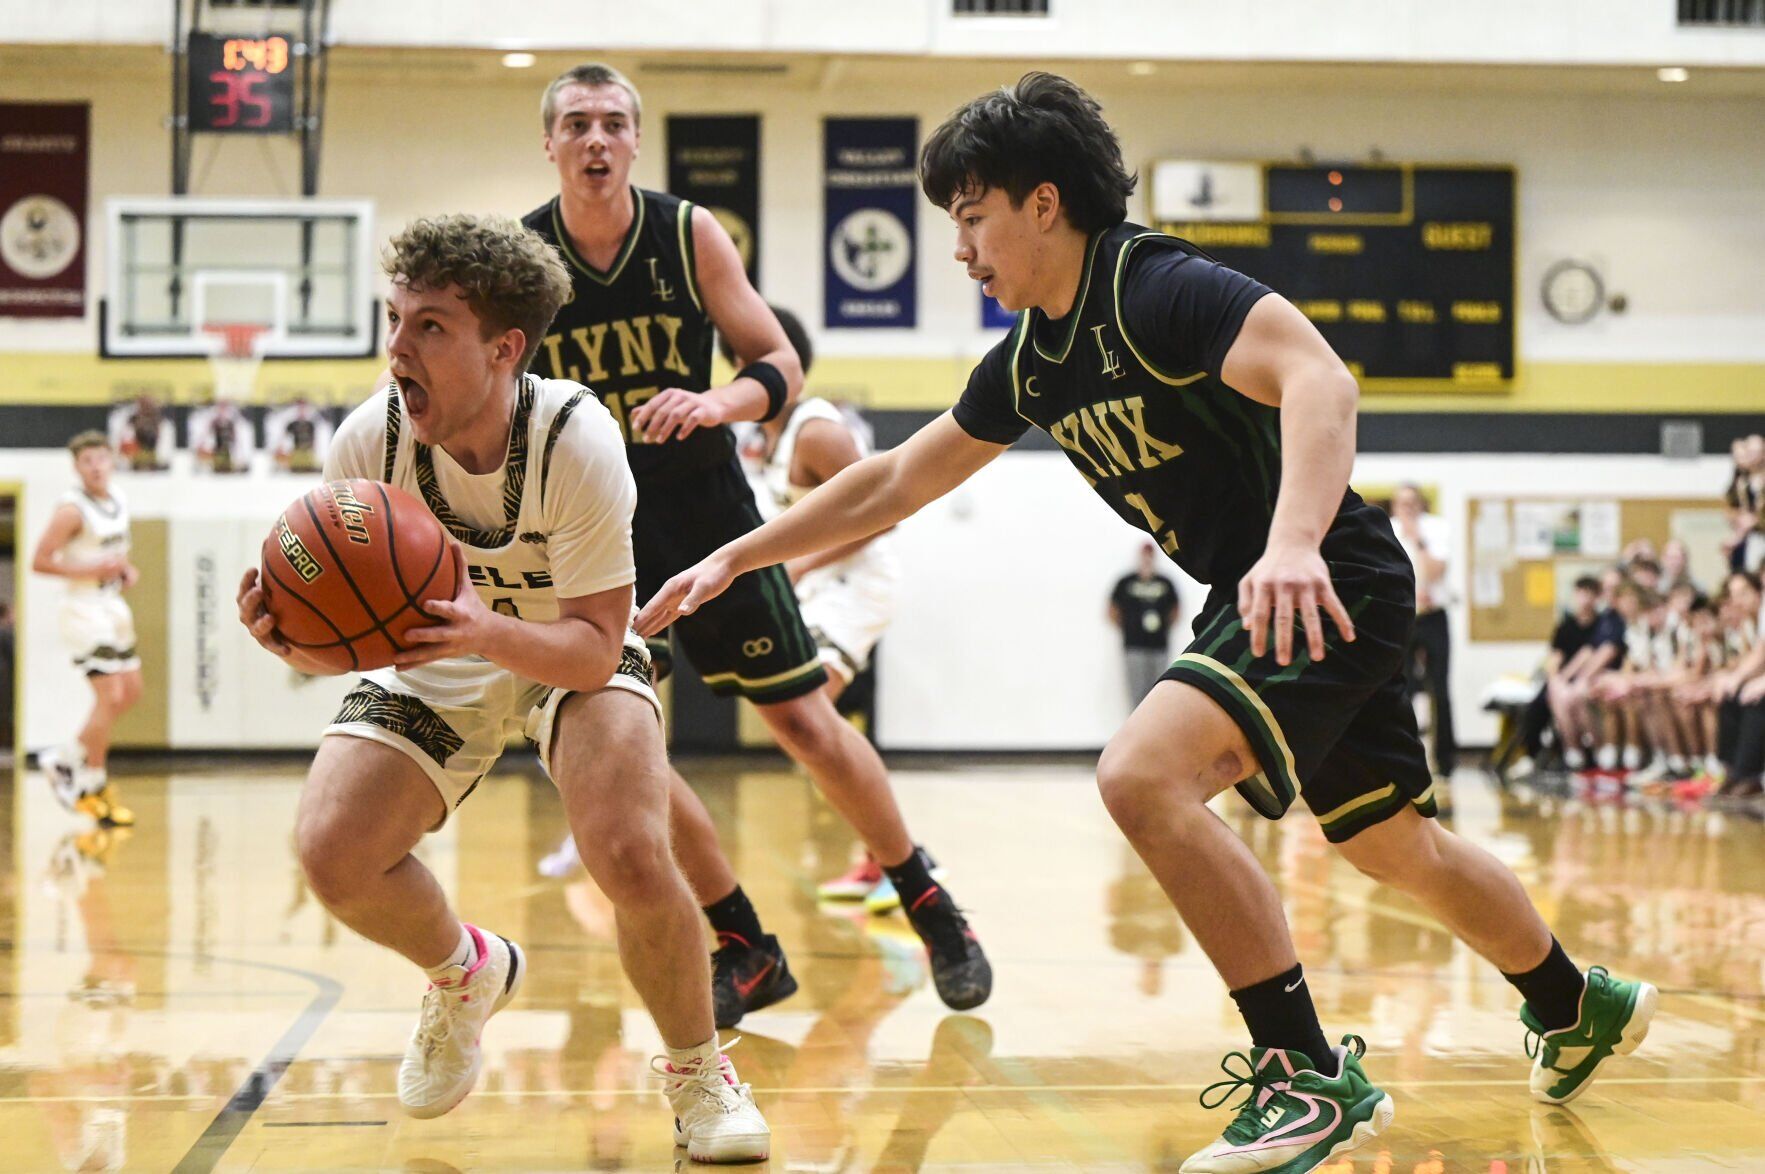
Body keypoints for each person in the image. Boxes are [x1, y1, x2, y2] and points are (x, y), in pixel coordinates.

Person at [637, 73, 1656, 1174]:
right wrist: (735, 554)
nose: (962, 251)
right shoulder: (1032, 359)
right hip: (1274, 588)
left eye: (972, 219)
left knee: (1140, 776)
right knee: (1389, 843)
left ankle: (1305, 1076)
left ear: (1042, 203)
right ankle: (1574, 1002)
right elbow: (890, 482)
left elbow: (1320, 379)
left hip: (1325, 574)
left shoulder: (1154, 287)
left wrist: (1293, 543)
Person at [234, 215, 770, 1161]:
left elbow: (596, 650)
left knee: (630, 852)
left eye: (430, 326)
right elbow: (356, 641)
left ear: (503, 348)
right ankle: (465, 971)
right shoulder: (368, 442)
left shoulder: (575, 438)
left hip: (567, 647)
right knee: (332, 852)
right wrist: (297, 641)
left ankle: (699, 1075)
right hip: (443, 654)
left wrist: (487, 630)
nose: (398, 347)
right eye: (395, 319)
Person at [521, 63, 989, 1011]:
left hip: (706, 512)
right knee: (625, 752)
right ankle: (744, 941)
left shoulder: (686, 232)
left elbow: (777, 360)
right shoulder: (524, 257)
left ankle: (928, 900)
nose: (595, 139)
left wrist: (714, 402)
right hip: (592, 531)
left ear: (636, 139)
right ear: (550, 143)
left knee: (804, 721)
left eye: (612, 122)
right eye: (576, 123)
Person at [31, 431, 141, 827]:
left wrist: (124, 570)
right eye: (87, 461)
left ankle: (69, 763)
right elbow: (40, 561)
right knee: (109, 695)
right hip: (82, 609)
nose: (95, 467)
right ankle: (88, 781)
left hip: (111, 605)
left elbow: (114, 552)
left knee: (130, 692)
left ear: (111, 461)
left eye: (100, 459)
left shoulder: (119, 500)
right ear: (77, 467)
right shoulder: (71, 510)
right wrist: (92, 570)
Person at [1389, 484, 1456, 775]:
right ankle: (1402, 758)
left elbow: (1435, 572)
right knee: (1399, 689)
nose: (1407, 509)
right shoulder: (1388, 529)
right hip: (1402, 616)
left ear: (1421, 504)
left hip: (1433, 616)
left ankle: (1445, 761)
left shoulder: (1436, 529)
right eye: (1402, 503)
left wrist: (1417, 538)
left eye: (1412, 503)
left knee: (1439, 689)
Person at [1108, 542, 1182, 707]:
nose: (1147, 559)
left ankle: (1156, 723)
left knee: (1158, 691)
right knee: (1136, 690)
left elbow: (1175, 609)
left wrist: (1165, 627)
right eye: (1144, 555)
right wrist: (1127, 628)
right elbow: (1112, 609)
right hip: (1134, 645)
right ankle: (1137, 722)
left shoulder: (1165, 582)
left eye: (1150, 555)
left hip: (1159, 645)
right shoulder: (1126, 582)